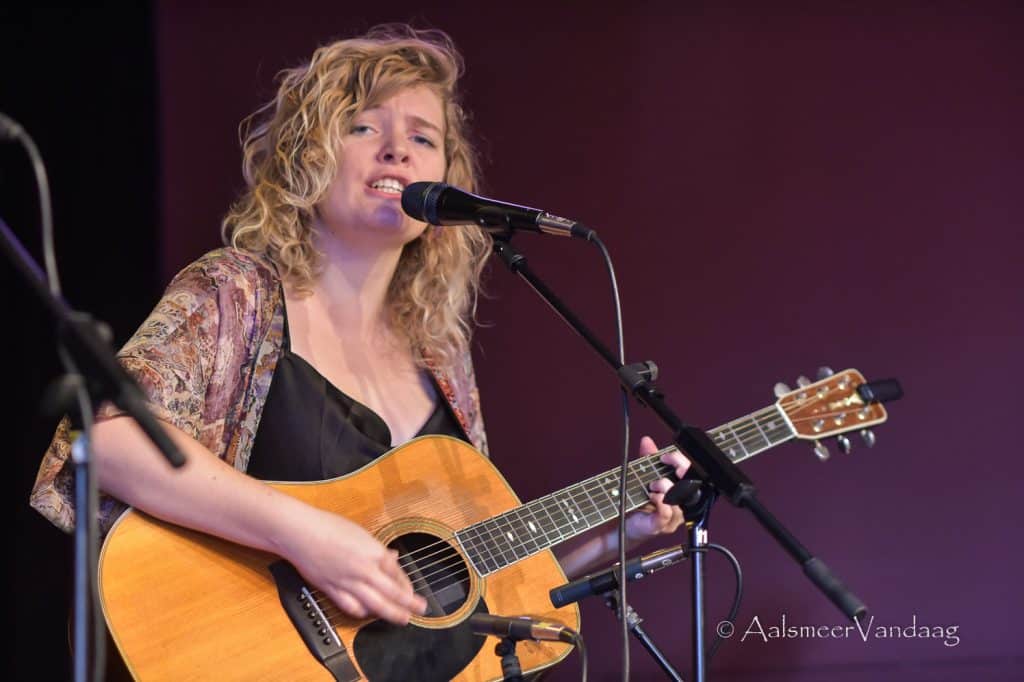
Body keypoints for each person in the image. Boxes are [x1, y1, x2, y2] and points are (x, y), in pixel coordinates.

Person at [30, 23, 689, 673]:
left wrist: (615, 535)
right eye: (365, 127)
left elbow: (464, 586)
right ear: (306, 157)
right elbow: (104, 442)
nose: (397, 151)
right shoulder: (237, 293)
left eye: (423, 138)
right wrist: (302, 533)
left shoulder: (441, 358)